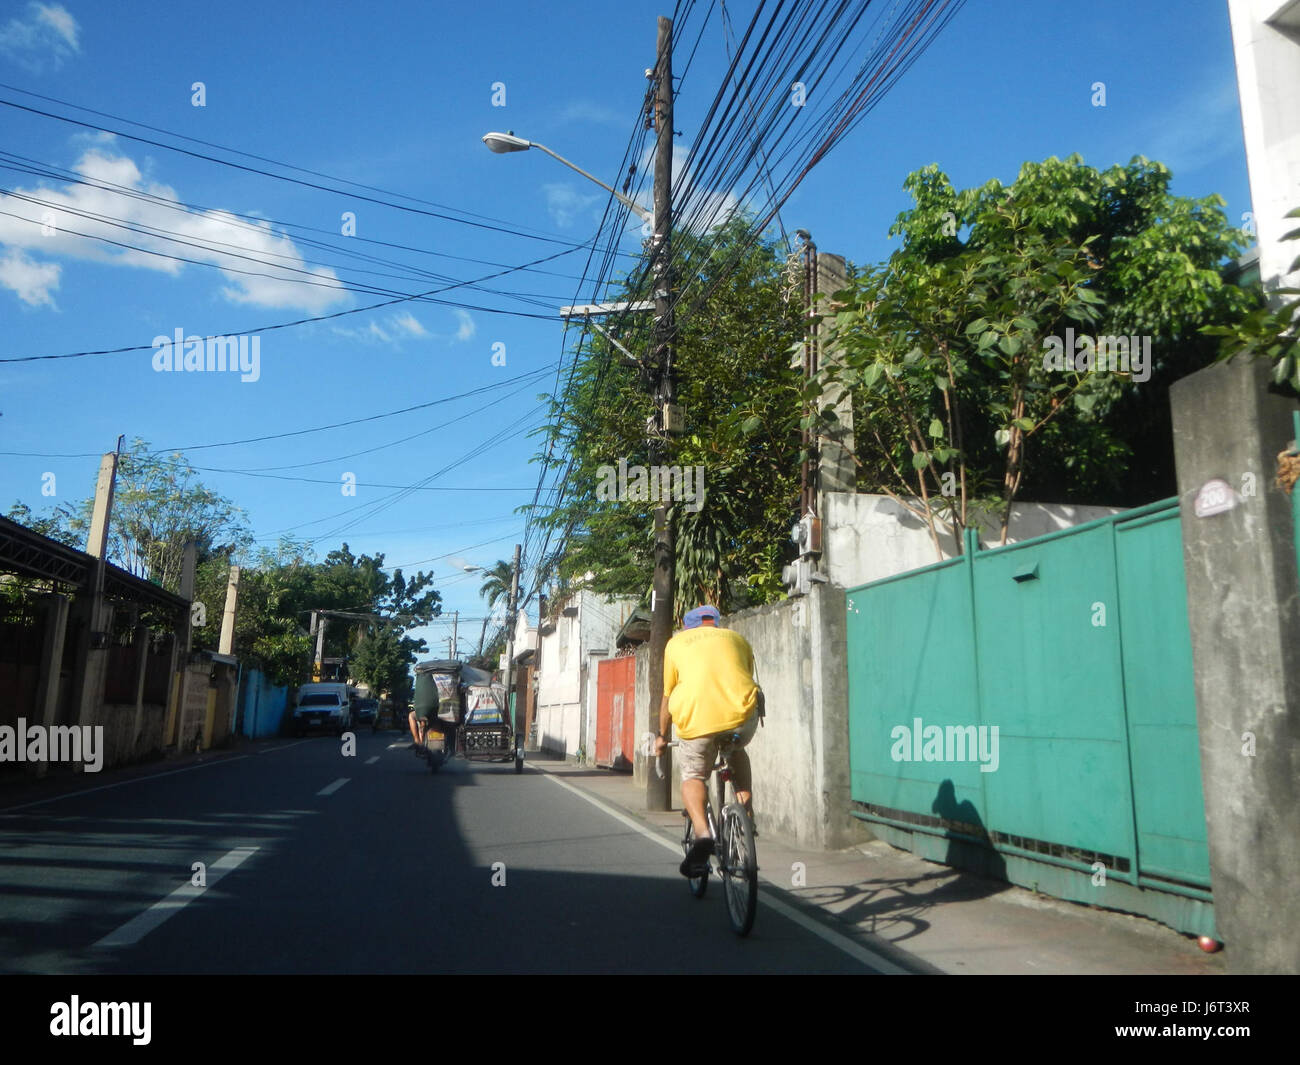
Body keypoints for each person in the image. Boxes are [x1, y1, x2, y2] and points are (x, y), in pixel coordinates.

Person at [653, 604, 760, 877]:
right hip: (742, 719)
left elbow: (667, 699)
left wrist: (662, 737)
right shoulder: (738, 639)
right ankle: (745, 813)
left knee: (693, 775)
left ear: (689, 626)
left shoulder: (676, 644)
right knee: (736, 753)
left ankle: (702, 835)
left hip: (698, 721)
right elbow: (745, 677)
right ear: (716, 623)